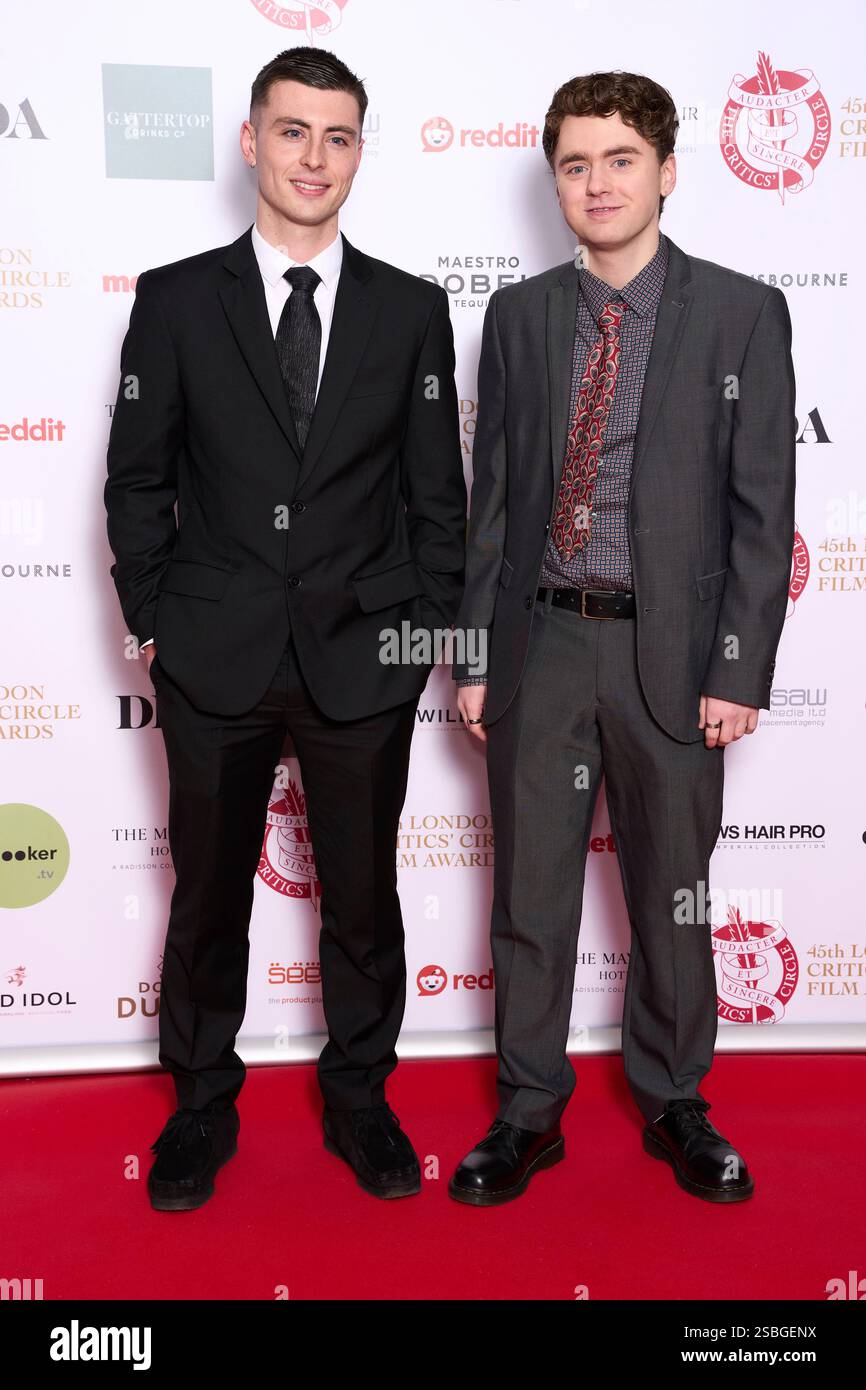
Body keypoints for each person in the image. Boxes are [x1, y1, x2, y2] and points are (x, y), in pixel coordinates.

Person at [104, 46, 465, 1210]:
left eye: (339, 135)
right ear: (252, 141)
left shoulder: (411, 309)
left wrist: (427, 635)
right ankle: (201, 1101)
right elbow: (134, 480)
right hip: (213, 655)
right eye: (294, 131)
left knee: (363, 900)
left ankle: (360, 1096)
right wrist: (155, 621)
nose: (316, 156)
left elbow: (434, 500)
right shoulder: (173, 298)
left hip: (363, 659)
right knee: (207, 894)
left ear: (361, 151)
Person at [450, 70, 795, 1206]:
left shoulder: (739, 311)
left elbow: (761, 507)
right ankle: (527, 1109)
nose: (594, 183)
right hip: (541, 645)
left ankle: (675, 1098)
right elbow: (490, 496)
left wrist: (736, 666)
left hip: (674, 655)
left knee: (671, 895)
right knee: (531, 897)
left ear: (666, 169)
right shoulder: (519, 313)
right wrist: (475, 654)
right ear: (553, 178)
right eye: (572, 163)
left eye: (618, 159)